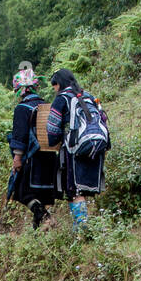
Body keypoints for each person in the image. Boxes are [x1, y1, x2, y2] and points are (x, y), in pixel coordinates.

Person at [45, 68, 108, 232]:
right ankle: (91, 226)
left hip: (74, 150)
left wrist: (55, 141)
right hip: (95, 146)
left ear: (58, 84)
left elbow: (52, 127)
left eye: (54, 86)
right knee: (86, 188)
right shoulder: (88, 96)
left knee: (74, 190)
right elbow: (103, 118)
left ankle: (81, 229)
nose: (54, 89)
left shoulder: (62, 99)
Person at [7, 66, 61, 229]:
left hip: (32, 158)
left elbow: (20, 135)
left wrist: (17, 158)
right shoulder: (45, 106)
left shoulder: (22, 108)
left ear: (19, 90)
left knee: (22, 192)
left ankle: (46, 218)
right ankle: (39, 234)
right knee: (41, 195)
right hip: (50, 157)